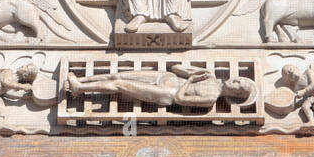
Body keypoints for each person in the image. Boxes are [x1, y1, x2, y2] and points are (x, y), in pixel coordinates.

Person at [66, 62, 252, 110]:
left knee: (120, 84)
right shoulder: (209, 75)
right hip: (167, 77)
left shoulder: (210, 99)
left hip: (167, 93)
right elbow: (175, 67)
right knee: (117, 74)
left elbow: (180, 100)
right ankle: (81, 80)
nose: (235, 81)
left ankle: (79, 89)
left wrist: (190, 82)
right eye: (238, 79)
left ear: (235, 95)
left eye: (238, 86)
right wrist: (191, 73)